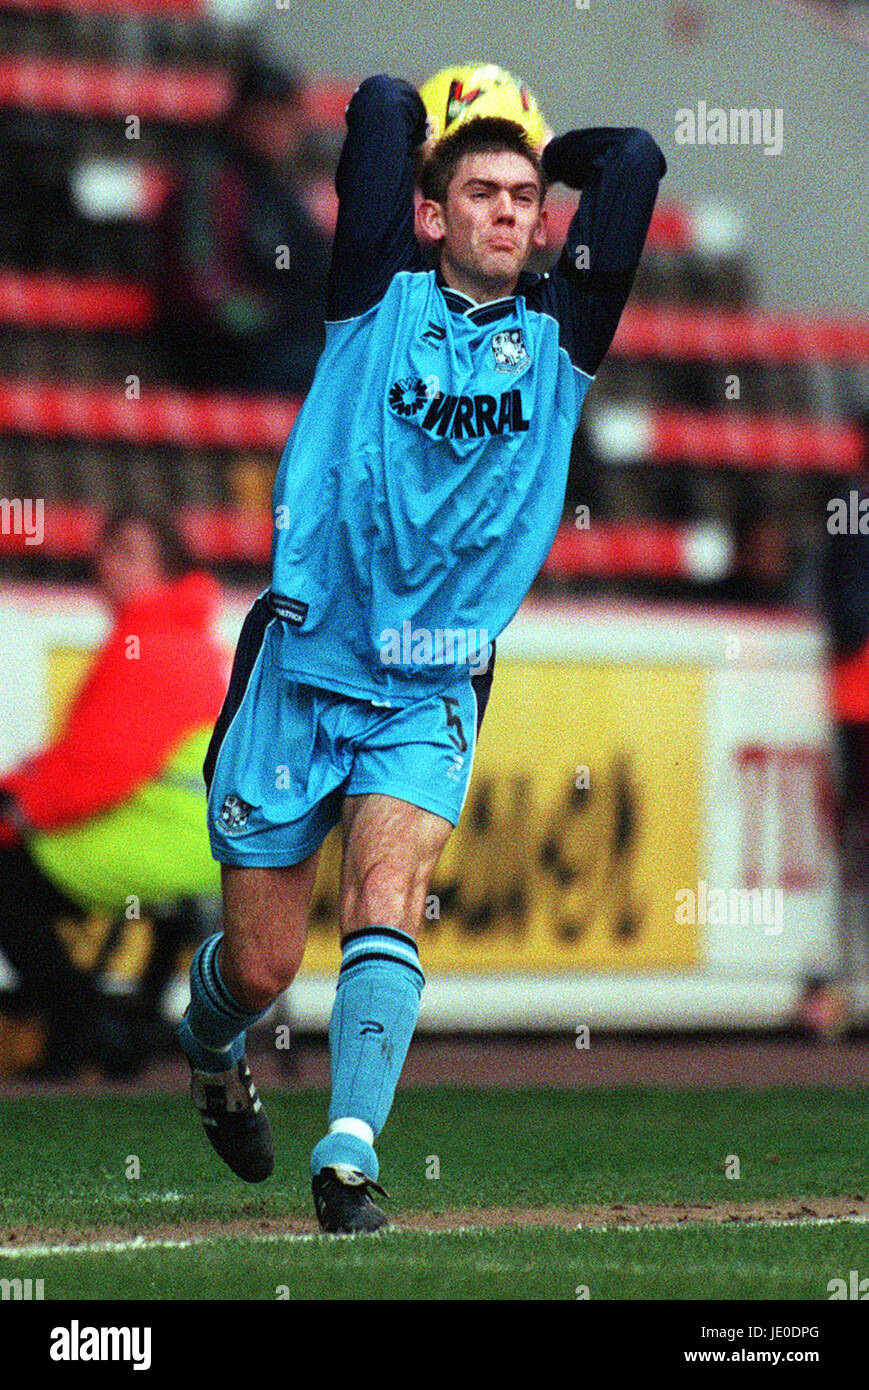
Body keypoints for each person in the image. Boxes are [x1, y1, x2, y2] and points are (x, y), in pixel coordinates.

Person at [178, 74, 666, 1232]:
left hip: (430, 680)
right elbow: (385, 104)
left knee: (387, 889)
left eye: (526, 196)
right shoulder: (371, 295)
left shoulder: (558, 336)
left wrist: (547, 149)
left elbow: (636, 160)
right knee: (257, 968)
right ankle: (210, 1048)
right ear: (429, 215)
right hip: (303, 665)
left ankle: (346, 1157)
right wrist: (459, 125)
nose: (511, 210)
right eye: (480, 193)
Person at [0, 510, 226, 1076]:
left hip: (168, 841)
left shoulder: (151, 639)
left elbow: (94, 770)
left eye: (128, 553)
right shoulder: (179, 632)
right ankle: (106, 1026)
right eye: (108, 551)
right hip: (196, 838)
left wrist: (16, 807)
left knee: (8, 878)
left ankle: (84, 1025)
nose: (109, 565)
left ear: (164, 569)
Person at [155, 54, 331, 395]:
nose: (275, 126)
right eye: (264, 115)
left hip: (288, 344)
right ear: (239, 119)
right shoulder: (209, 182)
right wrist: (283, 318)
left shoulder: (282, 189)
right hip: (226, 358)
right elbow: (203, 288)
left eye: (283, 116)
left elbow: (314, 270)